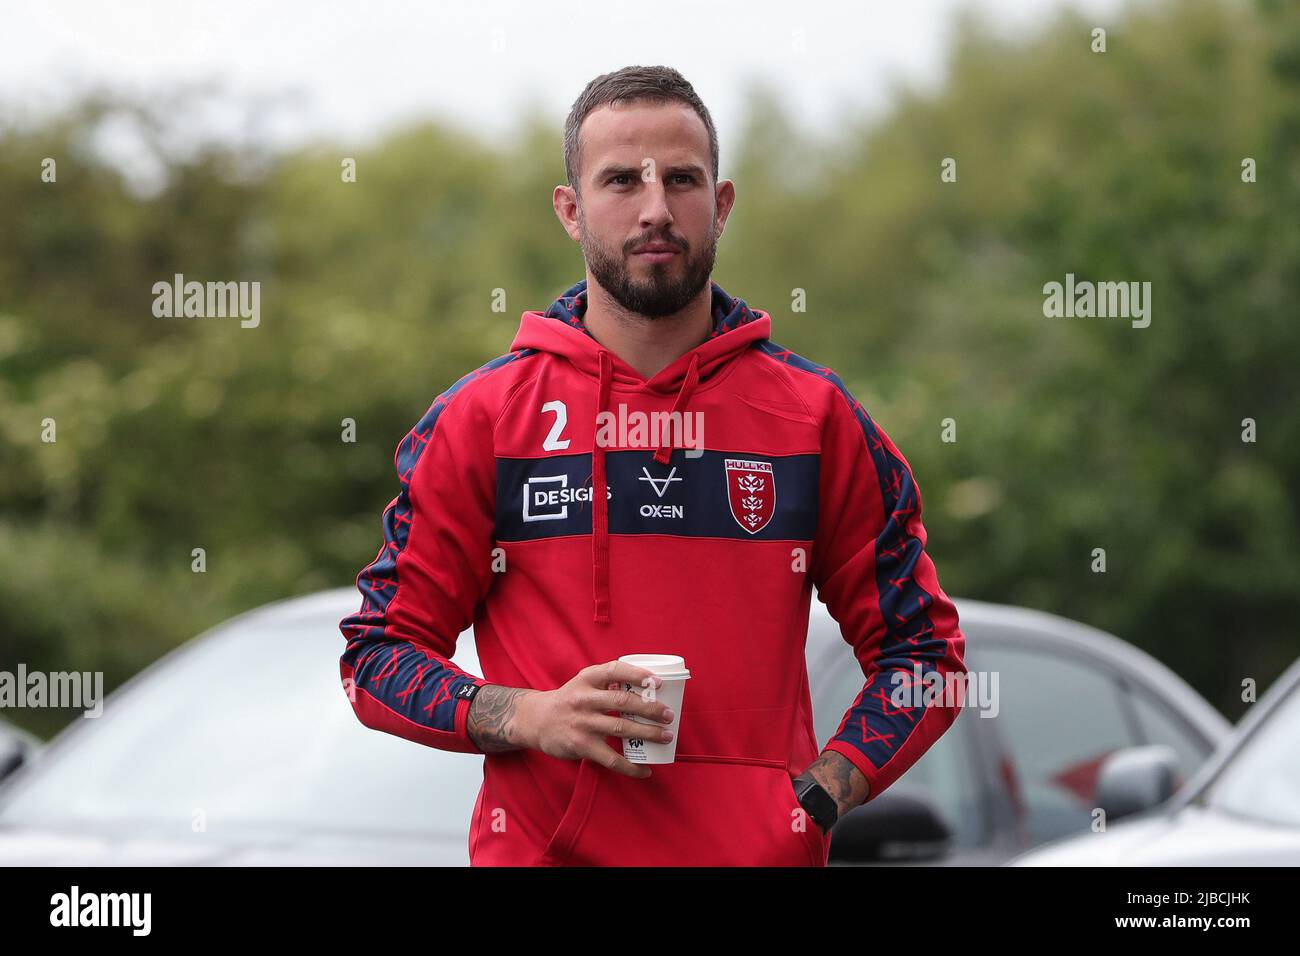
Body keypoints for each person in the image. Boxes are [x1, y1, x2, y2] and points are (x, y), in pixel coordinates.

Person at [339, 65, 967, 866]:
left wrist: (821, 794)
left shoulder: (814, 417)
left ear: (723, 202)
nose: (655, 209)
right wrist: (528, 716)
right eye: (620, 181)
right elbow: (376, 658)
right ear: (570, 210)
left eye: (682, 179)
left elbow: (925, 658)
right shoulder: (486, 420)